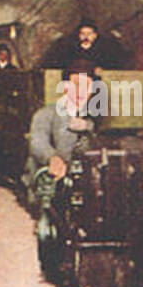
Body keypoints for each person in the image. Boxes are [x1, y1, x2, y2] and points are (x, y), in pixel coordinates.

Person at [24, 59, 96, 191]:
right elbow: (38, 141)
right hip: (47, 186)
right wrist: (53, 158)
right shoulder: (45, 114)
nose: (81, 92)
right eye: (76, 85)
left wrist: (88, 127)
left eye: (86, 86)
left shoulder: (88, 119)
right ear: (65, 87)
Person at [39, 18, 125, 74]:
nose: (86, 37)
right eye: (83, 34)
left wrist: (103, 70)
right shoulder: (70, 49)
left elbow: (114, 65)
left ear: (95, 35)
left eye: (89, 34)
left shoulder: (103, 50)